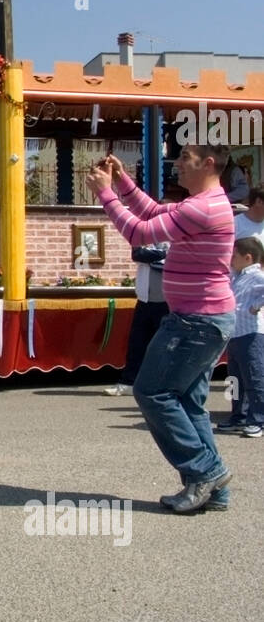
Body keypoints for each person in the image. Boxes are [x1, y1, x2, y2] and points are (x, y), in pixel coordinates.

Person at [88, 145, 236, 515]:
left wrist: (106, 192)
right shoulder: (204, 203)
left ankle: (206, 472)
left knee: (152, 392)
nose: (178, 165)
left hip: (194, 322)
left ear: (209, 163)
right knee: (187, 403)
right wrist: (122, 181)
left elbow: (139, 233)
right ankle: (212, 489)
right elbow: (153, 212)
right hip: (202, 319)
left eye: (185, 158)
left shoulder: (203, 207)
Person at [103, 239, 169, 396]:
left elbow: (176, 256)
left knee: (163, 346)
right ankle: (128, 382)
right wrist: (162, 254)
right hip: (144, 299)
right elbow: (138, 254)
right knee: (137, 343)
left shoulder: (174, 232)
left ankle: (163, 385)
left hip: (167, 301)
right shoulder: (143, 233)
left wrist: (156, 255)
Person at [215, 237, 264, 439]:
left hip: (251, 334)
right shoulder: (235, 276)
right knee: (234, 379)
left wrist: (256, 305)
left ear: (248, 257)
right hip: (234, 334)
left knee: (254, 376)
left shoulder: (257, 276)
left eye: (233, 255)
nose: (230, 259)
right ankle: (238, 416)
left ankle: (258, 419)